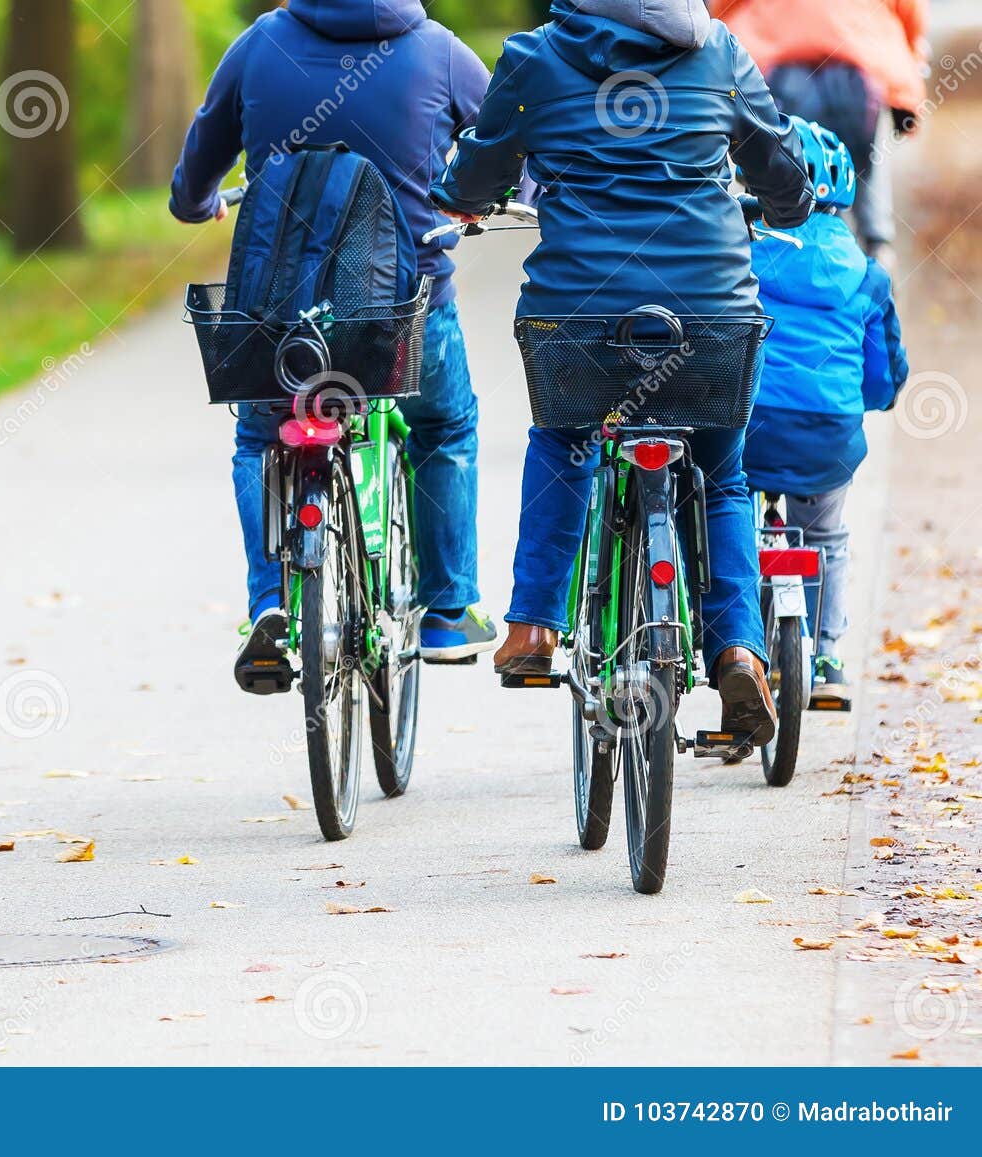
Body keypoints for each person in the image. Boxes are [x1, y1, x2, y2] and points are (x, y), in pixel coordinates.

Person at [430, 0, 815, 744]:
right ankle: (737, 647)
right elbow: (781, 163)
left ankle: (534, 625)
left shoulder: (536, 58)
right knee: (723, 473)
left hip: (582, 317)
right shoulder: (721, 53)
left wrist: (464, 199)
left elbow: (477, 170)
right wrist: (788, 201)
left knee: (565, 440)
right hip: (708, 316)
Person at [169, 0, 505, 691]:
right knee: (443, 428)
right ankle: (445, 610)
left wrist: (199, 200)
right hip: (402, 315)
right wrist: (496, 196)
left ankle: (269, 601)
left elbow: (198, 166)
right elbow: (504, 141)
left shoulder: (260, 46)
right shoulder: (439, 51)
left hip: (278, 320)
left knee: (261, 441)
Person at [743, 118, 909, 703]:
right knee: (828, 534)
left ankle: (735, 644)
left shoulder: (742, 256)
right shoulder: (867, 275)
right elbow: (883, 373)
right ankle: (831, 659)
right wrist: (873, 399)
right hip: (829, 434)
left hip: (752, 423)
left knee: (729, 516)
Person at [709, 0, 930, 271]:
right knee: (866, 158)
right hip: (861, 59)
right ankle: (878, 245)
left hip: (778, 58)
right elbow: (909, 10)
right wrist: (908, 58)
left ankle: (771, 259)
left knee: (779, 172)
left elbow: (720, 7)